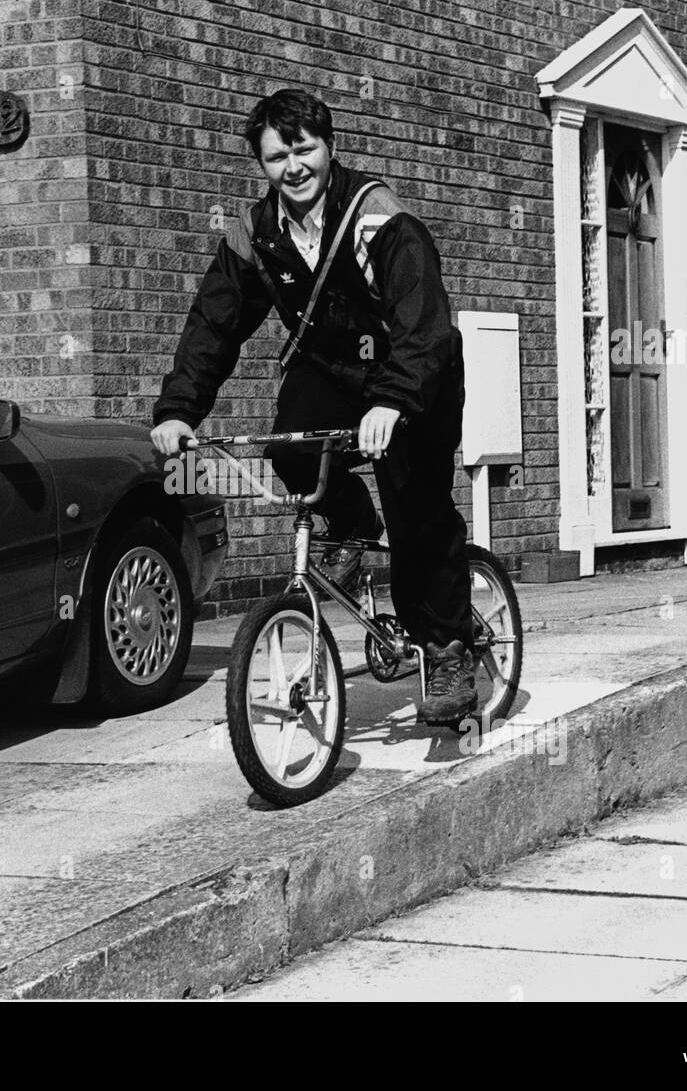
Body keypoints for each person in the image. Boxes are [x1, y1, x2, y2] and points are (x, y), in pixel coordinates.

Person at [151, 88, 475, 726]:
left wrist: (393, 401)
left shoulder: (376, 216)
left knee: (416, 510)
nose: (293, 167)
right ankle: (353, 526)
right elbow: (213, 325)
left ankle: (446, 648)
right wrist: (178, 410)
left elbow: (423, 324)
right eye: (277, 157)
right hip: (329, 370)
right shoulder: (256, 234)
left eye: (304, 149)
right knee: (290, 449)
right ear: (262, 165)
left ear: (328, 147)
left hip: (413, 374)